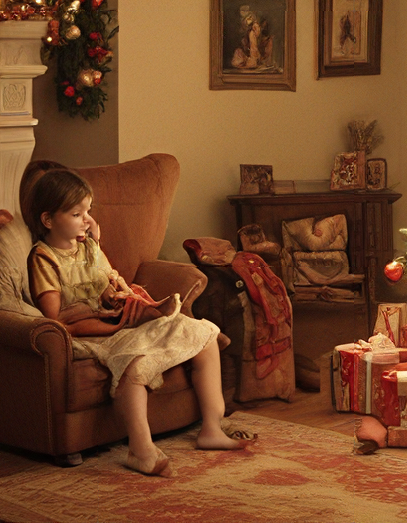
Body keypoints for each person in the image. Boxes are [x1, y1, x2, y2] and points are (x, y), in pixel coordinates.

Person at [23, 165, 249, 477]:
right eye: (77, 214)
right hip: (93, 331)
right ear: (48, 220)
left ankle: (212, 428)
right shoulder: (43, 258)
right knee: (135, 364)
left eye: (88, 211)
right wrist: (109, 315)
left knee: (204, 335)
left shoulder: (89, 247)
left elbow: (107, 281)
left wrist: (116, 291)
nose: (87, 220)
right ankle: (140, 450)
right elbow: (55, 316)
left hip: (118, 318)